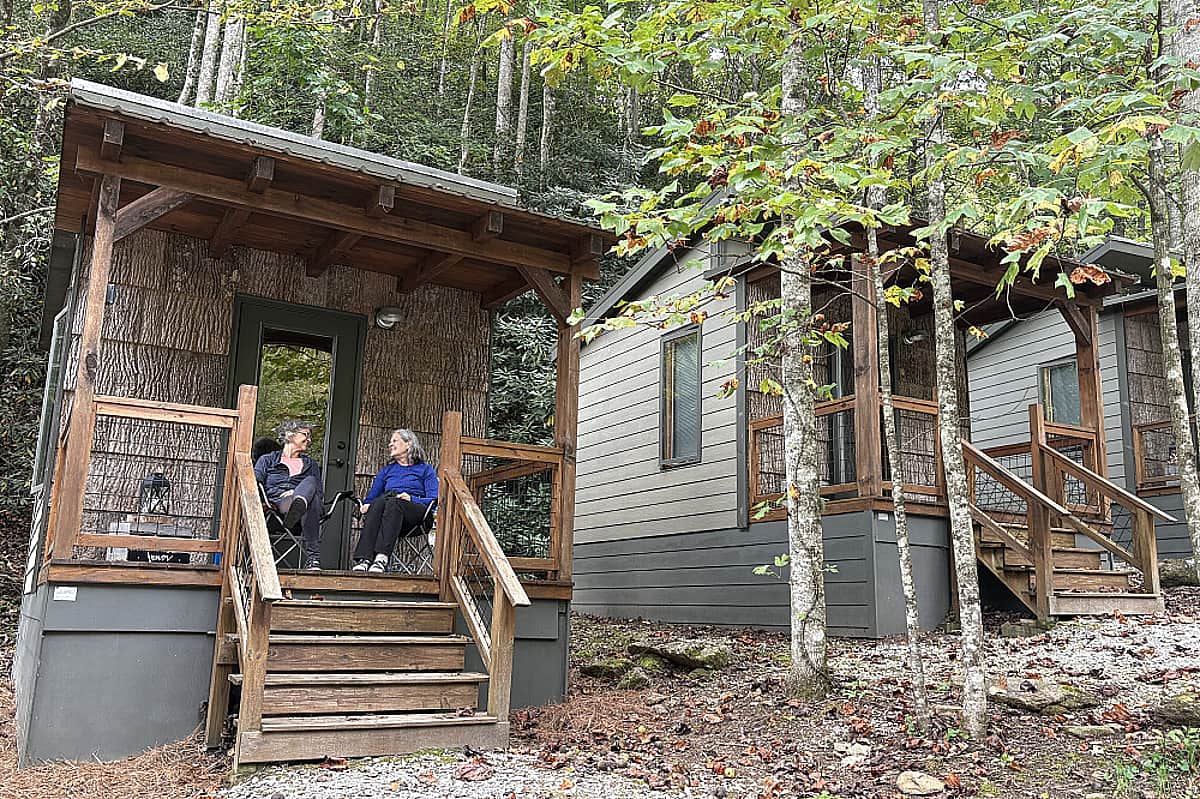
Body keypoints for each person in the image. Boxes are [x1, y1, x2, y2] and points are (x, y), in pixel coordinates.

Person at [352, 428, 438, 573]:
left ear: (408, 444)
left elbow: (433, 499)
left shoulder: (425, 469)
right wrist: (367, 505)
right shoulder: (387, 470)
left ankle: (381, 558)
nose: (390, 445)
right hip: (389, 515)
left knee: (393, 502)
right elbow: (372, 497)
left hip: (417, 514)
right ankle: (365, 559)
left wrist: (411, 498)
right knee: (379, 503)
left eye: (394, 441)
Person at [254, 420, 324, 570]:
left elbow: (318, 491)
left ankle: (299, 502)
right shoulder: (267, 460)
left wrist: (296, 492)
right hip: (278, 503)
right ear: (290, 435)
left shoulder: (310, 464)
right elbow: (254, 482)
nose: (309, 440)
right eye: (306, 435)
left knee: (312, 488)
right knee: (312, 500)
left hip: (302, 508)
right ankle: (314, 559)